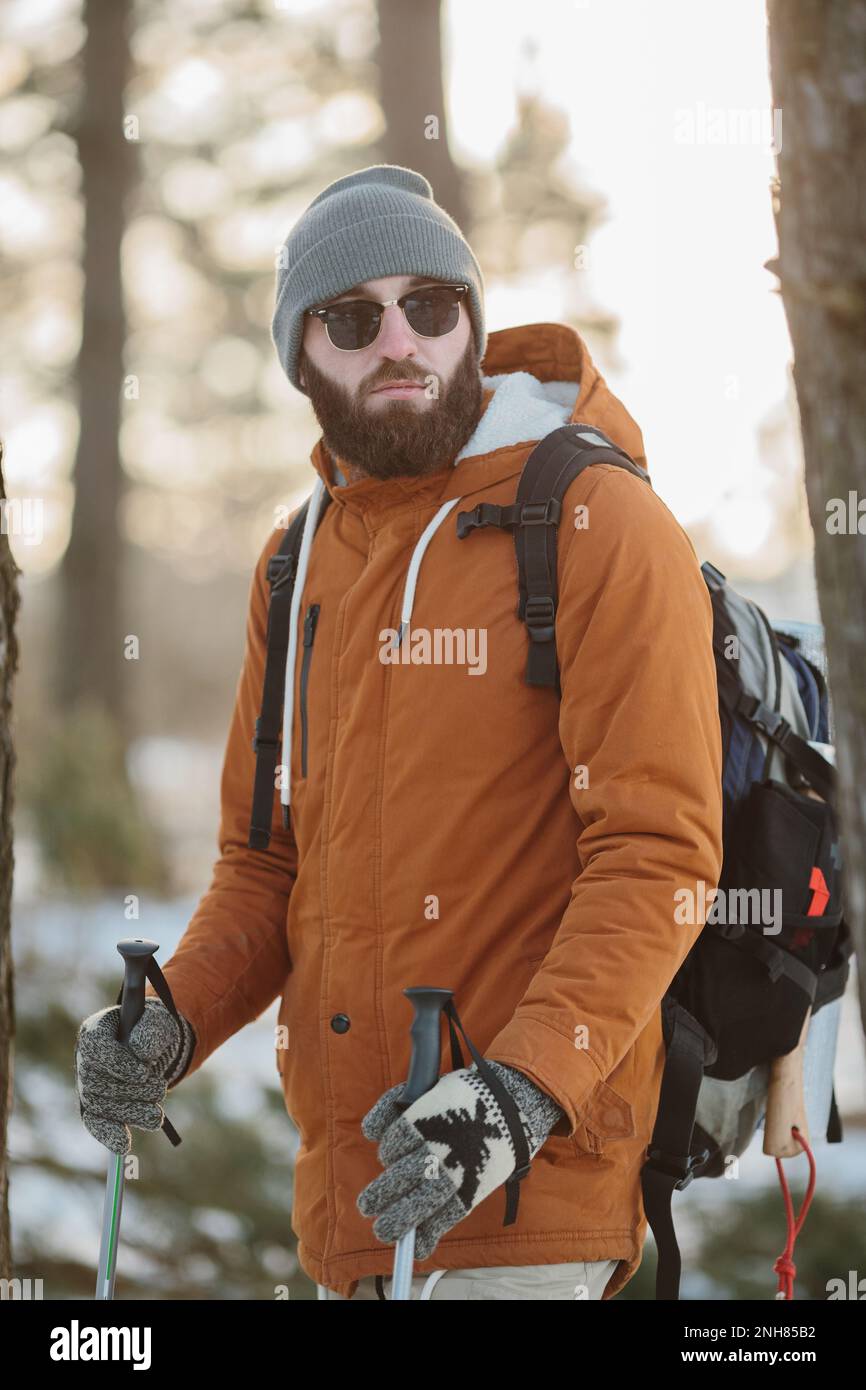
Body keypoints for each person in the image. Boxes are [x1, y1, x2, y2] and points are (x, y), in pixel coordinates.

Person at [75, 164, 723, 1301]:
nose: (400, 342)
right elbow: (264, 866)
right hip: (350, 1215)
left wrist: (516, 1096)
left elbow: (658, 855)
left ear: (470, 320)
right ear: (300, 356)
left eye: (430, 305)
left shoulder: (594, 519)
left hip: (529, 1208)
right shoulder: (293, 563)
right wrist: (173, 1020)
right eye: (352, 318)